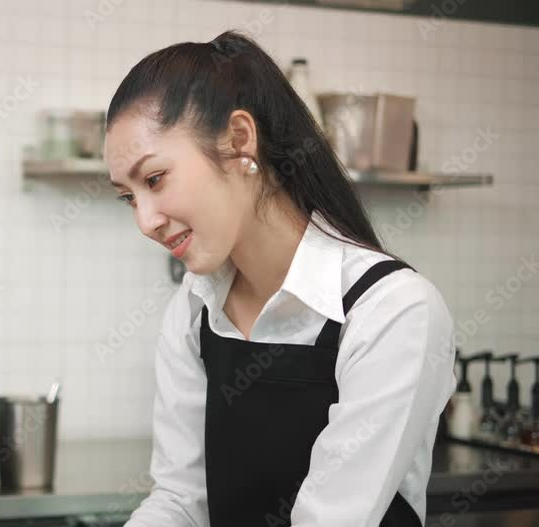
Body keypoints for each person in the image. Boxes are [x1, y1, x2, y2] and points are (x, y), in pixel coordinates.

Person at [104, 31, 456, 526]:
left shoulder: (392, 311)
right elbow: (182, 501)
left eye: (155, 179)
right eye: (129, 197)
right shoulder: (194, 307)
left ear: (240, 140)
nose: (145, 221)